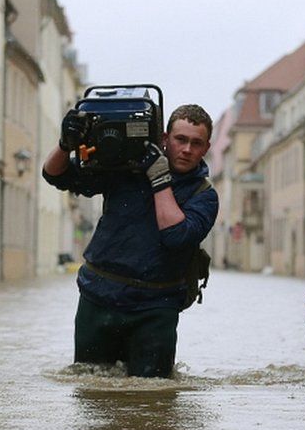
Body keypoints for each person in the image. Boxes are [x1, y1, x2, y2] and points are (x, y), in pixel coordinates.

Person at [42, 104, 217, 378]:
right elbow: (55, 175)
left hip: (156, 309)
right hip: (99, 299)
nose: (186, 149)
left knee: (152, 401)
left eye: (196, 143)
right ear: (164, 139)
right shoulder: (125, 167)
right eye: (180, 139)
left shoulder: (204, 194)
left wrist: (159, 178)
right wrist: (66, 145)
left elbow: (176, 236)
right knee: (92, 393)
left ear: (206, 148)